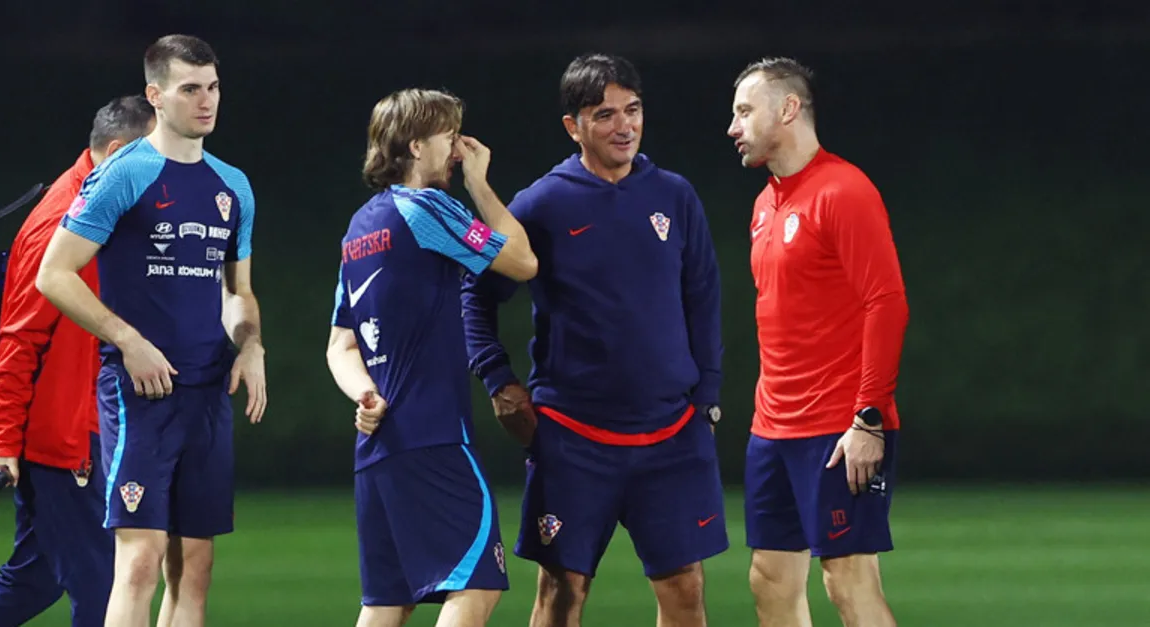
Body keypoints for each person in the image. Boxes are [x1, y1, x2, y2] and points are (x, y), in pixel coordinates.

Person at [461, 53, 726, 627]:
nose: (624, 126)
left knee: (685, 588)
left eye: (633, 110)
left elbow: (703, 298)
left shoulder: (675, 196)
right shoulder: (542, 203)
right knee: (562, 593)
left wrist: (706, 398)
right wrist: (498, 380)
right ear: (573, 126)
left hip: (671, 434)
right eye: (605, 115)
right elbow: (475, 295)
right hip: (574, 438)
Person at [35, 34, 266, 627]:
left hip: (207, 395)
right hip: (141, 395)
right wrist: (128, 341)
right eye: (190, 89)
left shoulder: (233, 186)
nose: (206, 101)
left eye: (213, 87)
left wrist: (251, 344)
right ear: (155, 96)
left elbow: (236, 293)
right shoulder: (126, 173)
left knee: (196, 565)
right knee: (139, 561)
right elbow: (53, 274)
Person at [326, 87, 537, 627]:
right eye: (450, 136)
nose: (459, 150)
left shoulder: (359, 228)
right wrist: (480, 184)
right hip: (433, 437)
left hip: (377, 447)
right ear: (417, 146)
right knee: (477, 585)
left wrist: (365, 394)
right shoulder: (425, 207)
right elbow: (522, 262)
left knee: (385, 604)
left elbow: (341, 344)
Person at [0, 95, 155, 627]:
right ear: (118, 153)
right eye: (155, 156)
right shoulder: (61, 223)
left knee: (34, 579)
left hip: (81, 427)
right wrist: (1, 443)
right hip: (65, 443)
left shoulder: (105, 206)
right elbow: (18, 341)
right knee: (105, 592)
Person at [726, 57, 909, 627]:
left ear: (788, 108)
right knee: (770, 578)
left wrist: (868, 417)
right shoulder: (765, 205)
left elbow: (887, 302)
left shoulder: (844, 190)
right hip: (772, 427)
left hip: (838, 426)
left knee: (847, 580)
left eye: (744, 112)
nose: (733, 128)